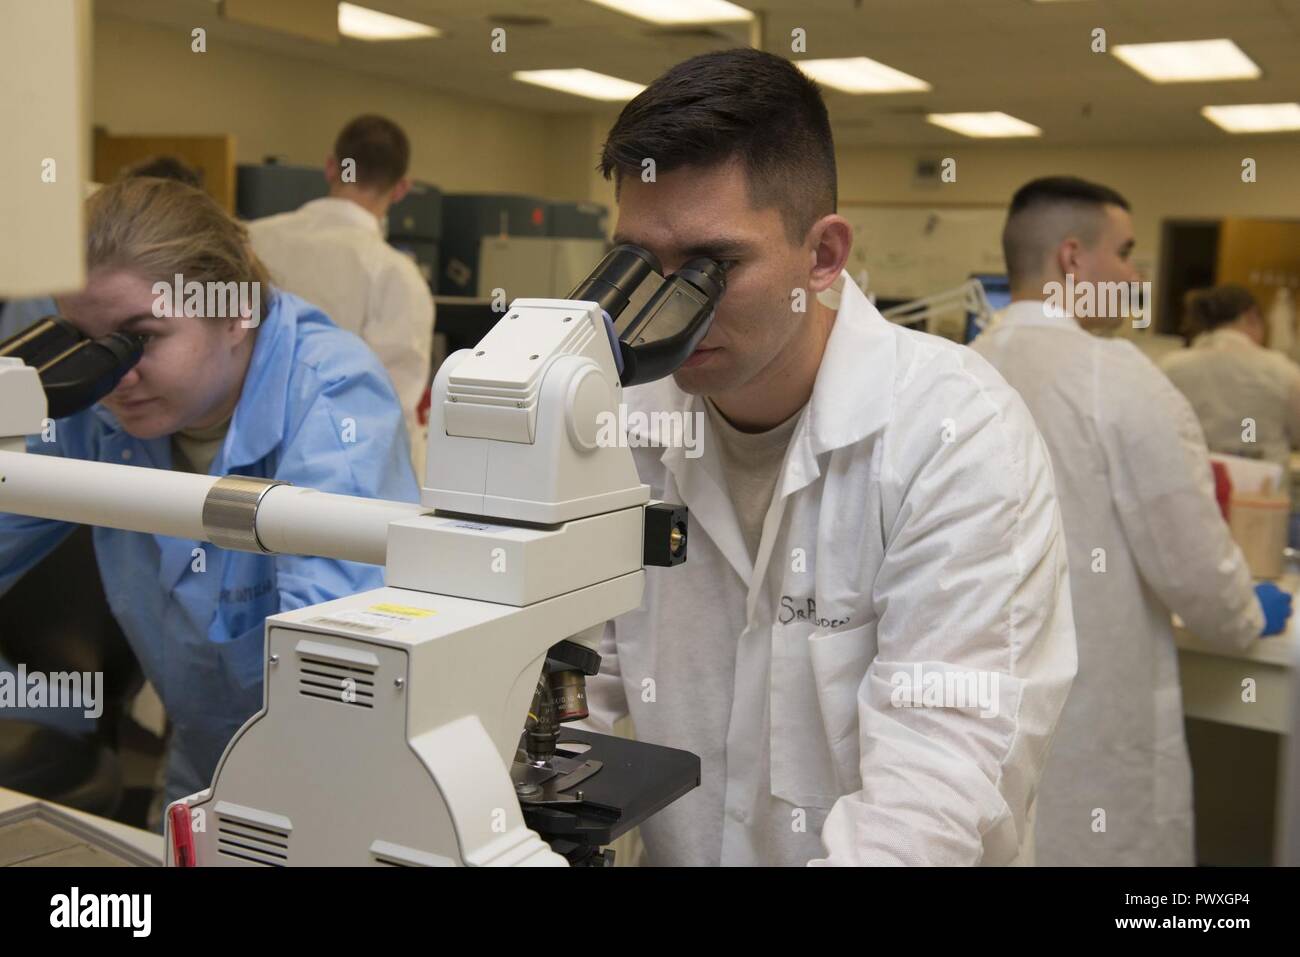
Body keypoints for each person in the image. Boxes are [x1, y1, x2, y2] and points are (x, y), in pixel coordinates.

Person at [579, 48, 1077, 866]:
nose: (671, 311)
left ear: (823, 255)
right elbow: (568, 686)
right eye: (644, 263)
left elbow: (936, 780)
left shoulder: (955, 434)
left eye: (714, 266)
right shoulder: (623, 422)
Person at [0, 177, 419, 806]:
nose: (114, 375)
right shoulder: (99, 406)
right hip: (201, 760)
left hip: (333, 777)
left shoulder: (331, 404)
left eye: (139, 337)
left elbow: (333, 674)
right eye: (86, 342)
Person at [970, 176, 1292, 866]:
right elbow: (1198, 572)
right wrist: (1245, 610)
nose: (1136, 273)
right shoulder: (1113, 374)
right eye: (1125, 251)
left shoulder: (962, 368)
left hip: (977, 735)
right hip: (1094, 730)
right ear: (1073, 259)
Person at [246, 114, 434, 460]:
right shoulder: (396, 275)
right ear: (403, 187)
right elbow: (390, 405)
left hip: (238, 458)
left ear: (332, 167)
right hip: (332, 468)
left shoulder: (249, 240)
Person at [1160, 284, 1300, 471]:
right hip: (1264, 486)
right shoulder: (1282, 370)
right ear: (1251, 317)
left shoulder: (1170, 367)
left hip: (1195, 479)